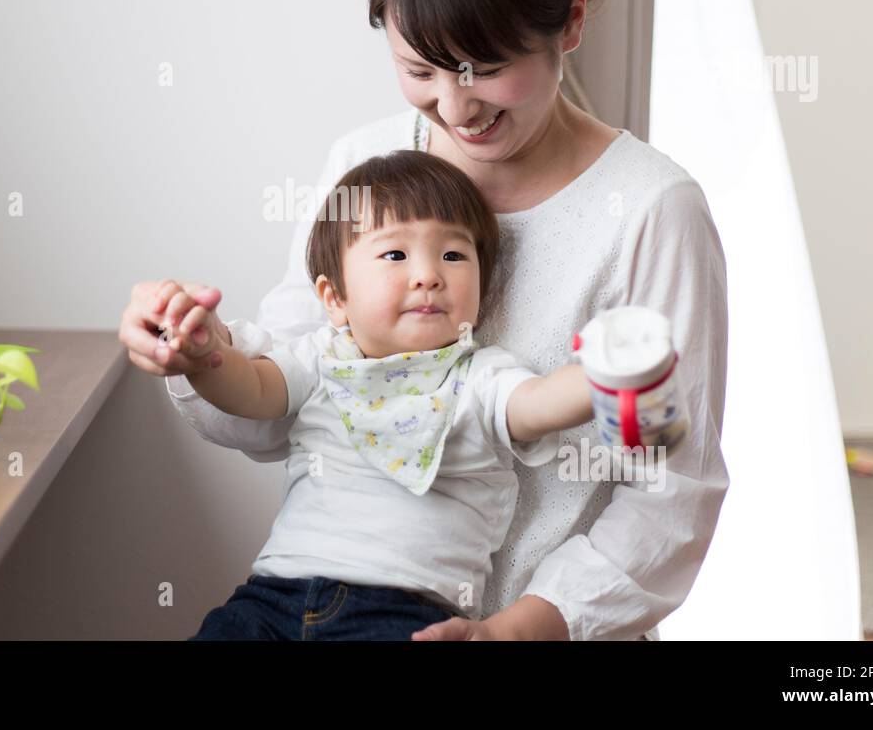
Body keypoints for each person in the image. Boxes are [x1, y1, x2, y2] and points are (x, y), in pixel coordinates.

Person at [120, 0, 730, 641]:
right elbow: (286, 404)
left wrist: (515, 630)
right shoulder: (366, 168)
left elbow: (672, 491)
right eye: (421, 68)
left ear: (570, 22)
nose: (456, 107)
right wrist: (195, 348)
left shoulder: (653, 210)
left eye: (484, 69)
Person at [149, 151, 604, 639]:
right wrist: (203, 361)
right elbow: (252, 389)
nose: (428, 274)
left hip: (403, 613)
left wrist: (606, 374)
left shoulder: (479, 376)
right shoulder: (319, 358)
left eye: (453, 255)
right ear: (335, 299)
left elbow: (537, 404)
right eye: (395, 255)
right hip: (272, 597)